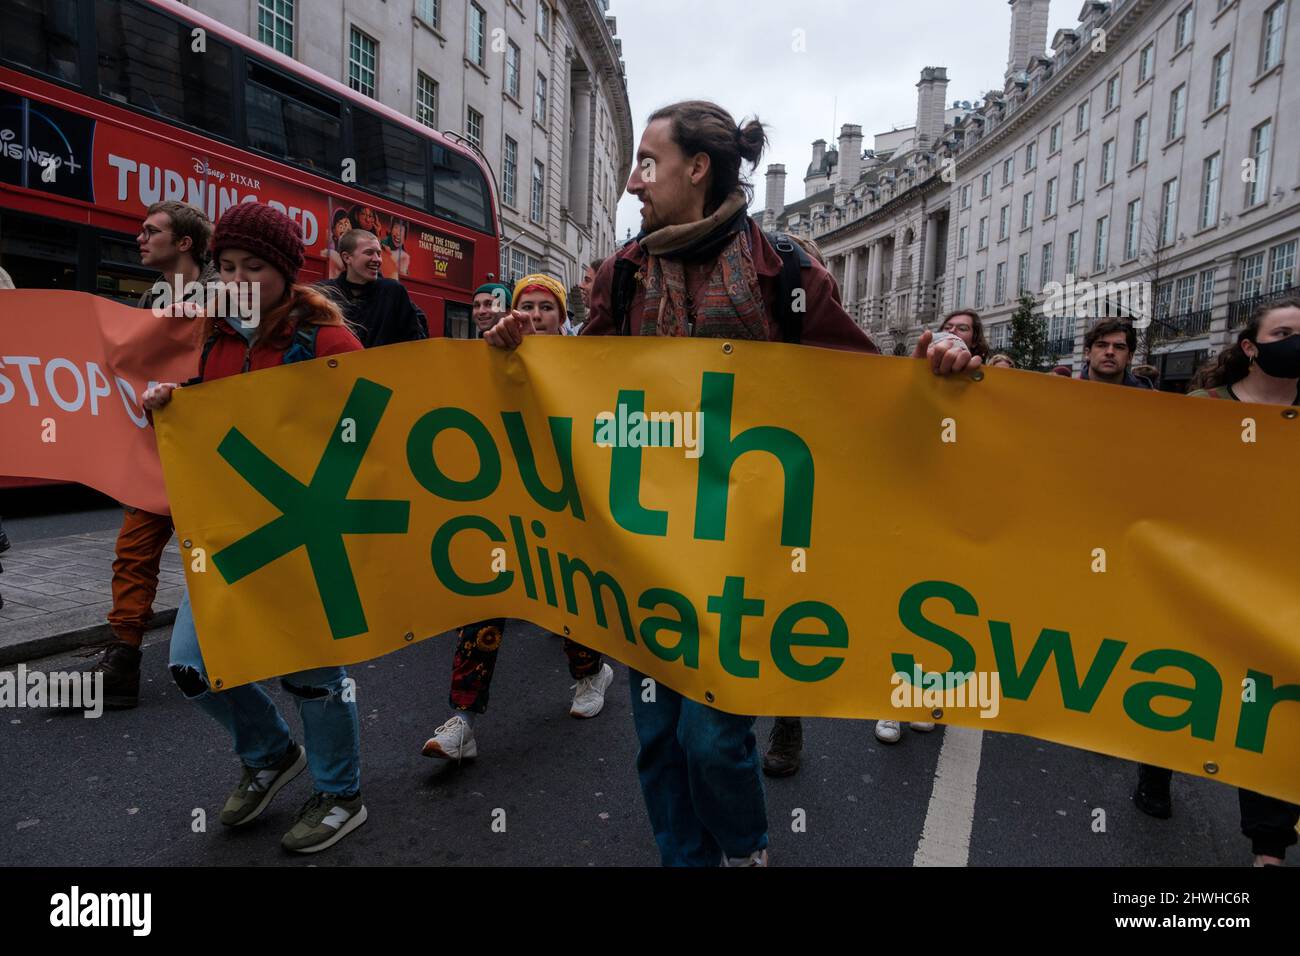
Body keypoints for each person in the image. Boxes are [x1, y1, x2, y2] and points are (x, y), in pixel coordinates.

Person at [484, 100, 977, 866]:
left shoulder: (786, 272)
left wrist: (936, 358)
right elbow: (573, 388)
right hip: (645, 549)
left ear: (698, 168)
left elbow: (864, 388)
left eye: (649, 163)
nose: (633, 182)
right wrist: (521, 352)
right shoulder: (621, 277)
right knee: (656, 736)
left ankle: (744, 848)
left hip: (748, 554)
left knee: (711, 736)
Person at [142, 201, 369, 854]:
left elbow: (372, 426)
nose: (237, 279)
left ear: (285, 274)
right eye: (226, 265)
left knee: (313, 677)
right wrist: (163, 406)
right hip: (228, 540)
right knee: (191, 665)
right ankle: (270, 753)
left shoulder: (325, 341)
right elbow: (185, 427)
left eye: (254, 267)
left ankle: (340, 793)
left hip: (306, 535)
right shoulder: (207, 338)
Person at [421, 273, 616, 762]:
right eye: (525, 305)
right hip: (505, 506)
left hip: (568, 506)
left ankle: (591, 673)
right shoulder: (496, 356)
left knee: (567, 599)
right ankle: (461, 721)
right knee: (485, 605)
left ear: (562, 317)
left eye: (545, 307)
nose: (534, 314)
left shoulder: (588, 363)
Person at [1133, 297, 1300, 866]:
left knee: (1271, 708)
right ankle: (1156, 769)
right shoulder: (1203, 408)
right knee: (1181, 684)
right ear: (1252, 348)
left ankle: (1270, 845)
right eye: (1285, 332)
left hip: (1276, 589)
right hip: (1195, 578)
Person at [83, 201, 216, 710]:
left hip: (205, 456)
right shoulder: (151, 298)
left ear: (183, 243)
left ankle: (226, 645)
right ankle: (123, 660)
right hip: (158, 450)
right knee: (134, 552)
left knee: (206, 556)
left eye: (151, 231)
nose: (140, 238)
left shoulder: (221, 298)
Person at [318, 229, 427, 347]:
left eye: (379, 253)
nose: (377, 259)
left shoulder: (393, 292)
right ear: (346, 257)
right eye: (369, 253)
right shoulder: (324, 293)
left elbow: (416, 341)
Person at [1077, 318, 1152, 388]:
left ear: (1130, 357)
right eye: (1102, 345)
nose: (1110, 352)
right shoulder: (1068, 391)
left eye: (1119, 347)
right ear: (1087, 353)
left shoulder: (1150, 398)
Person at [323, 209, 352, 279]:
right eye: (340, 224)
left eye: (346, 223)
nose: (344, 227)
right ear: (333, 231)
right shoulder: (330, 254)